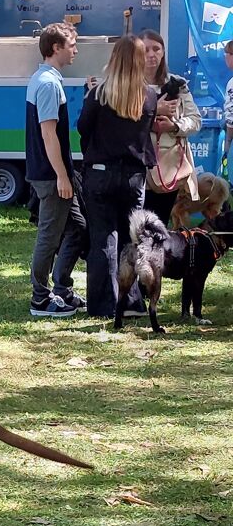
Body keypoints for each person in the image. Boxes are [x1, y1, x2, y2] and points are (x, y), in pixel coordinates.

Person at [79, 35, 158, 318]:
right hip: (134, 176)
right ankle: (131, 302)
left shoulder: (98, 94)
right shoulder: (149, 96)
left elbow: (82, 127)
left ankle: (103, 305)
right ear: (139, 61)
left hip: (100, 173)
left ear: (114, 58)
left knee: (102, 239)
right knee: (131, 240)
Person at [24, 23, 88, 318]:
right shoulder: (48, 84)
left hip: (55, 173)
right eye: (71, 44)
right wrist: (62, 175)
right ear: (56, 48)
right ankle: (40, 298)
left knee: (77, 228)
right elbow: (49, 134)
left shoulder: (46, 79)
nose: (75, 50)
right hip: (51, 176)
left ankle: (61, 289)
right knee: (49, 236)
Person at [140, 29, 201, 225]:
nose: (151, 55)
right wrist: (152, 117)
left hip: (170, 167)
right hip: (138, 167)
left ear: (163, 52)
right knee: (136, 228)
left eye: (156, 49)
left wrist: (174, 126)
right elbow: (119, 123)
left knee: (159, 226)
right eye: (145, 49)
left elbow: (195, 119)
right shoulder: (128, 85)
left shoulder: (178, 84)